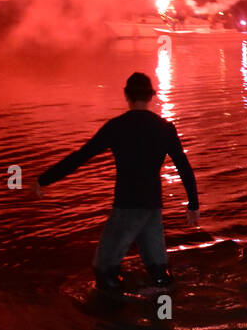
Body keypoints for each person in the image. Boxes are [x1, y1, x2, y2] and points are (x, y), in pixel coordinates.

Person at [34, 72, 200, 290]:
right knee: (159, 272)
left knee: (104, 269)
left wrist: (44, 179)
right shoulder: (164, 128)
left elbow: (80, 157)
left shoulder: (116, 127)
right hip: (152, 206)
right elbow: (183, 167)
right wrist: (193, 204)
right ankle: (165, 306)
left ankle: (117, 308)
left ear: (126, 95)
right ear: (151, 96)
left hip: (127, 206)